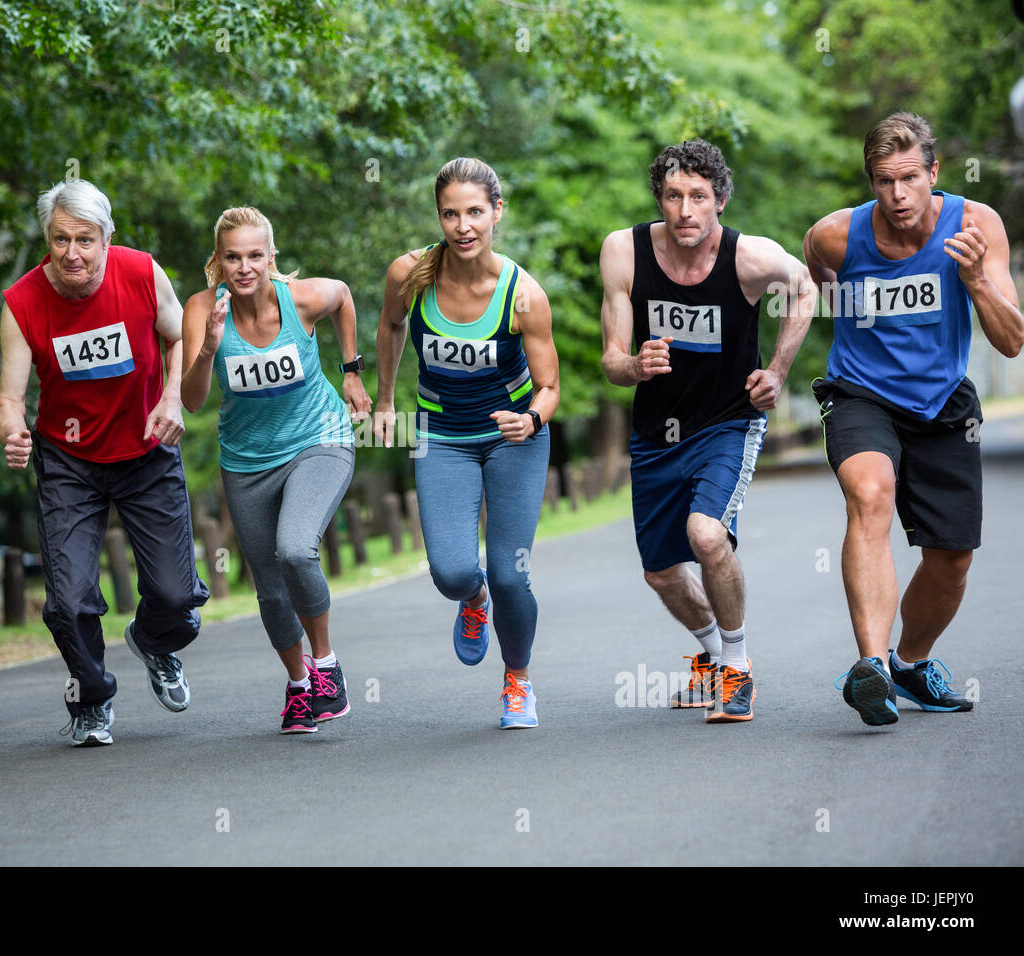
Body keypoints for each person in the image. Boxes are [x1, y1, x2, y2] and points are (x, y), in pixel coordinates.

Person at [803, 112, 1022, 726]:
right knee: (870, 494)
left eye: (908, 178)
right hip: (861, 394)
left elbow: (1012, 342)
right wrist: (840, 301)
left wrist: (976, 279)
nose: (896, 195)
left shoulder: (978, 226)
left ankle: (909, 663)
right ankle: (870, 667)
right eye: (882, 180)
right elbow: (817, 269)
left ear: (933, 172)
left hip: (941, 402)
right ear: (870, 181)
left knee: (952, 558)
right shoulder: (838, 235)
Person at [600, 139, 816, 723]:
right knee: (661, 573)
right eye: (673, 196)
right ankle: (715, 657)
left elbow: (806, 288)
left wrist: (776, 371)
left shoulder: (749, 259)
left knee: (707, 535)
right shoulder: (624, 252)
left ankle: (739, 671)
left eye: (698, 196)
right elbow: (611, 361)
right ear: (660, 200)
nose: (685, 210)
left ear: (720, 199)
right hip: (655, 432)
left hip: (727, 421)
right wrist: (635, 366)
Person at [0, 180, 209, 746]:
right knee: (67, 599)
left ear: (107, 237)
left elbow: (178, 338)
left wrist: (169, 398)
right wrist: (13, 431)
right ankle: (91, 697)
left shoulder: (140, 272)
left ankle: (155, 642)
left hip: (147, 447)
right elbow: (9, 400)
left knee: (173, 596)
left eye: (85, 239)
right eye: (60, 239)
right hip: (69, 461)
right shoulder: (21, 303)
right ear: (48, 238)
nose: (72, 253)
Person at [374, 157, 559, 729]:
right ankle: (472, 600)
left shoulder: (523, 294)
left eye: (475, 212)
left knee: (512, 572)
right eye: (450, 214)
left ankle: (518, 682)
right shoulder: (409, 273)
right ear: (439, 216)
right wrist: (384, 400)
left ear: (496, 212)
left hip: (514, 441)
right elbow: (391, 325)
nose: (463, 226)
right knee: (453, 572)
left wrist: (530, 419)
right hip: (443, 436)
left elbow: (550, 386)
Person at [182, 207, 371, 733]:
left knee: (294, 547)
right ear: (218, 262)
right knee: (268, 587)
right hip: (246, 460)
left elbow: (345, 296)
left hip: (319, 439)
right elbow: (192, 401)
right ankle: (298, 683)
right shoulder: (201, 309)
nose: (244, 268)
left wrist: (351, 373)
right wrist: (209, 350)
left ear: (271, 258)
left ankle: (327, 666)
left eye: (255, 256)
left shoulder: (303, 298)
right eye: (232, 257)